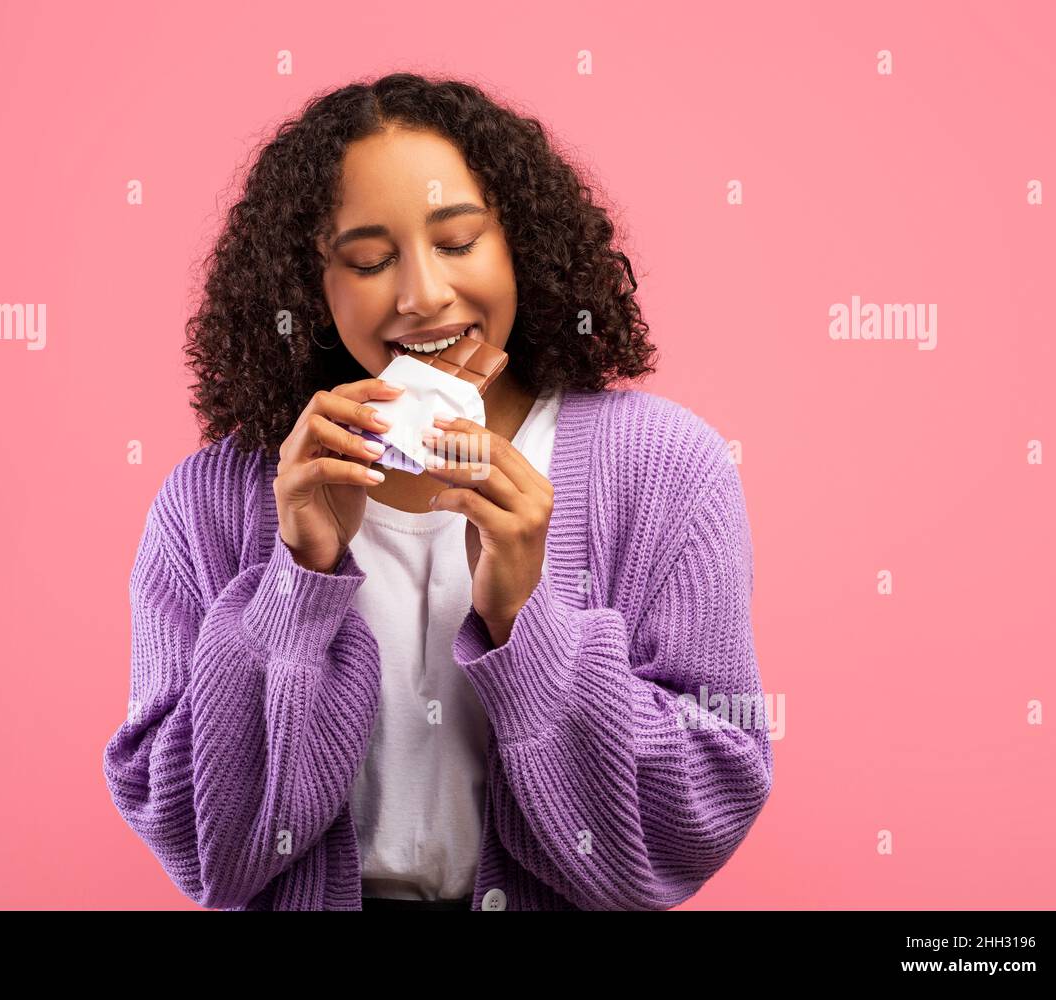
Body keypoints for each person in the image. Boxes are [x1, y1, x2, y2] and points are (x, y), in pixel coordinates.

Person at [102, 72, 773, 911]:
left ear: (522, 243)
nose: (422, 296)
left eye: (458, 243)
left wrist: (524, 620)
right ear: (309, 290)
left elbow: (696, 819)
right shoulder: (211, 502)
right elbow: (206, 848)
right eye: (371, 261)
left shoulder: (669, 470)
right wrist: (297, 583)